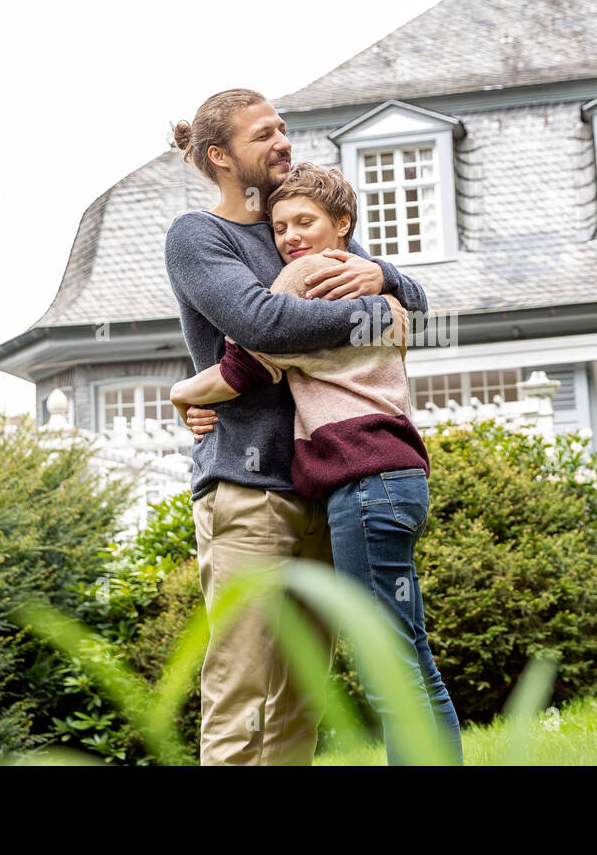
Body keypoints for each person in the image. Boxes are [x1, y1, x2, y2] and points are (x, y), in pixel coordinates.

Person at [164, 88, 428, 766]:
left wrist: (386, 275)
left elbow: (414, 305)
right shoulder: (201, 237)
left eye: (283, 128)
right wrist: (380, 310)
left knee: (300, 698)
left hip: (325, 487)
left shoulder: (300, 224)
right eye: (262, 135)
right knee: (242, 690)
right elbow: (262, 326)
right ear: (220, 157)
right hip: (247, 491)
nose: (283, 141)